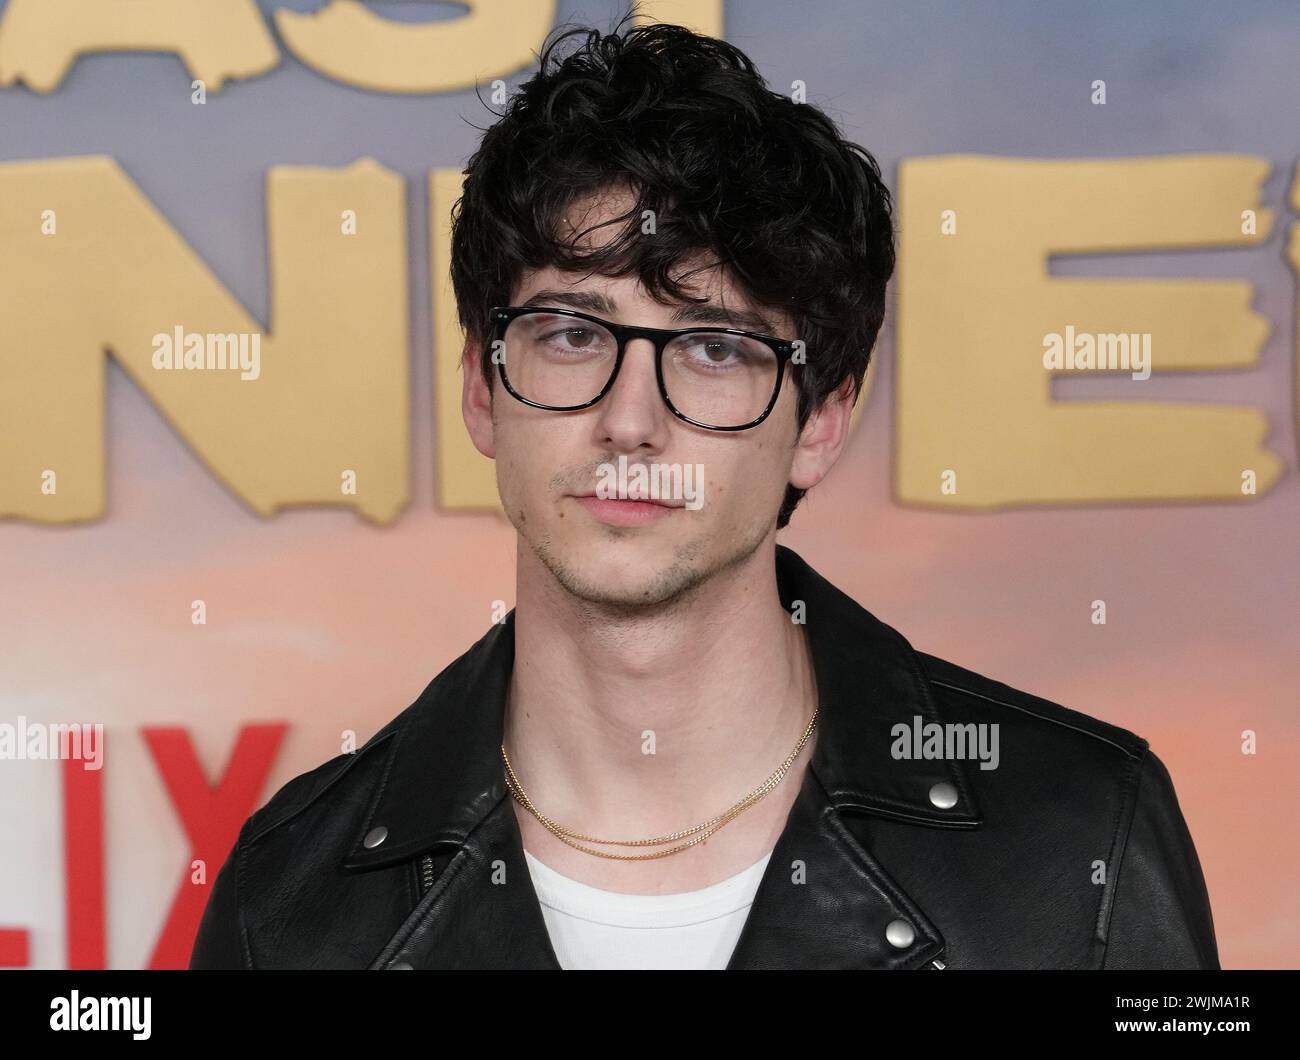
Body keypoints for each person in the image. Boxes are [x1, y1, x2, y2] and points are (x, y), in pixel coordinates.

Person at [189, 17, 1218, 970]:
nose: (631, 419)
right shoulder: (291, 897)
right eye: (571, 333)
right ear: (480, 386)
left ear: (820, 419)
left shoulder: (1084, 833)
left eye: (715, 347)